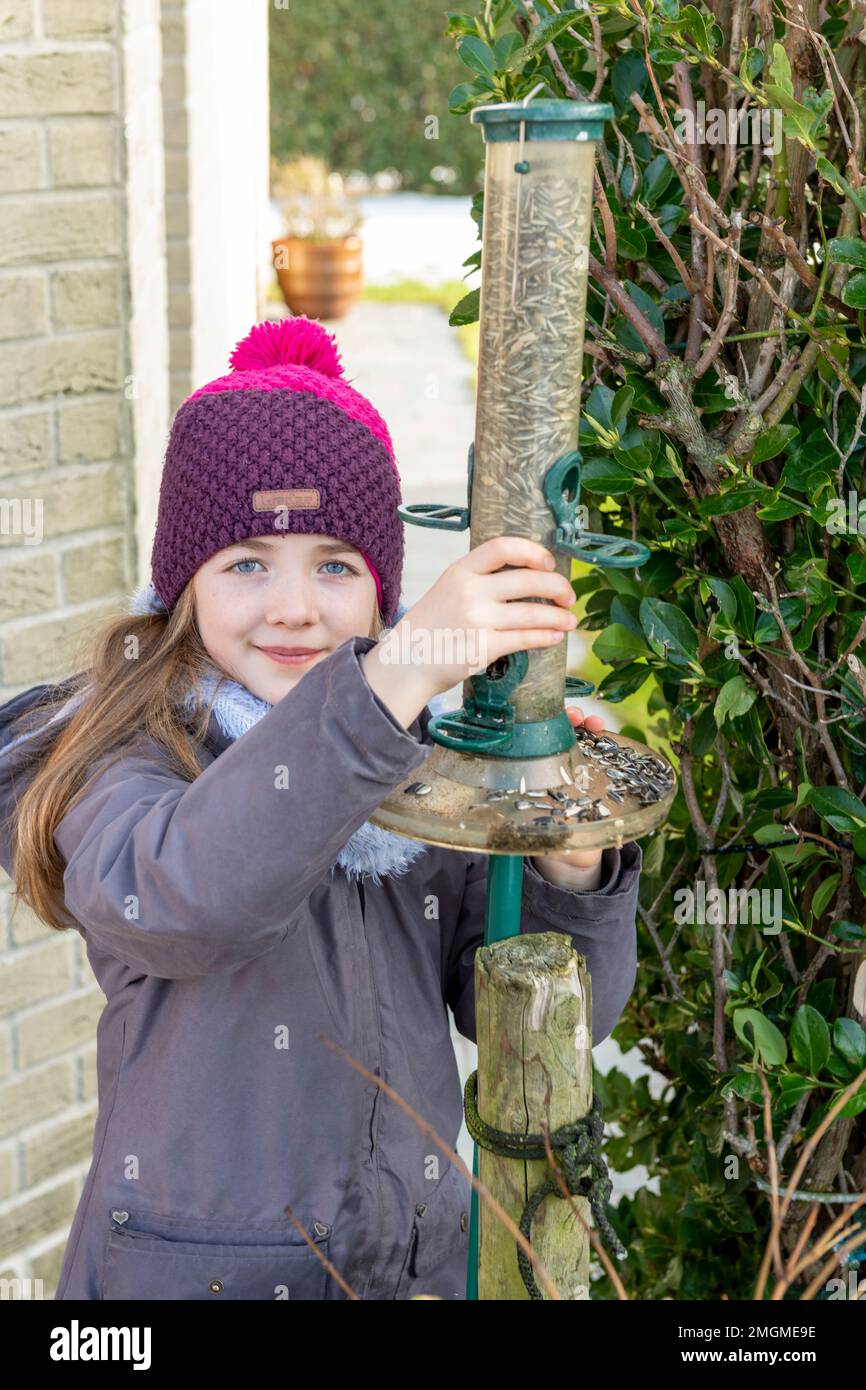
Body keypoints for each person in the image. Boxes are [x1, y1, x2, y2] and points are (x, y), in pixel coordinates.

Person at [0, 316, 641, 1301]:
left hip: (408, 1270)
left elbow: (529, 1016)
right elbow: (188, 901)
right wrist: (393, 681)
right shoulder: (131, 755)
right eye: (247, 562)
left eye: (335, 565)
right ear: (183, 585)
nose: (296, 608)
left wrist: (564, 849)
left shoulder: (415, 760)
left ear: (381, 593)